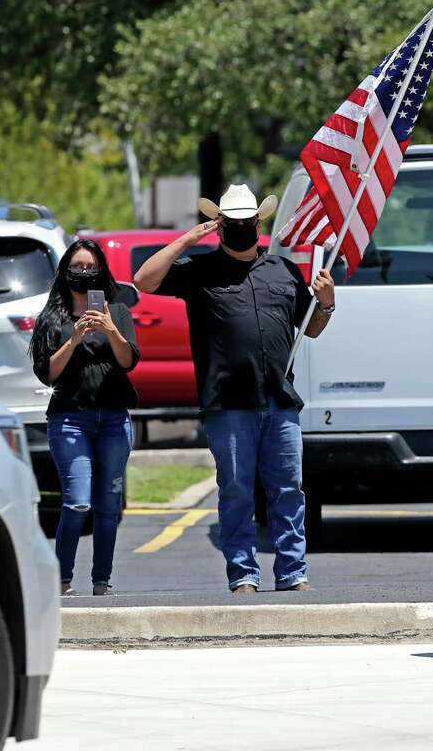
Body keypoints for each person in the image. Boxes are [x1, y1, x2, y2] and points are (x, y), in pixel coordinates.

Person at [134, 184, 335, 593]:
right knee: (237, 492)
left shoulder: (283, 271)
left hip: (279, 401)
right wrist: (190, 237)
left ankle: (293, 573)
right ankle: (243, 575)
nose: (241, 228)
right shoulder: (199, 271)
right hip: (228, 405)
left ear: (258, 222)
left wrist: (327, 303)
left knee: (288, 491)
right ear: (220, 225)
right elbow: (144, 280)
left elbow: (310, 328)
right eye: (232, 222)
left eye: (246, 222)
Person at [30, 238, 139, 597]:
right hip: (70, 419)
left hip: (113, 417)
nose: (84, 273)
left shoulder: (118, 310)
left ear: (101, 271)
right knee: (78, 500)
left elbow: (128, 361)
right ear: (65, 272)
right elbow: (48, 373)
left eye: (91, 268)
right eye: (77, 267)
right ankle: (62, 581)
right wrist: (75, 338)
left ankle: (101, 582)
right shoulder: (53, 317)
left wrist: (110, 330)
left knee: (109, 502)